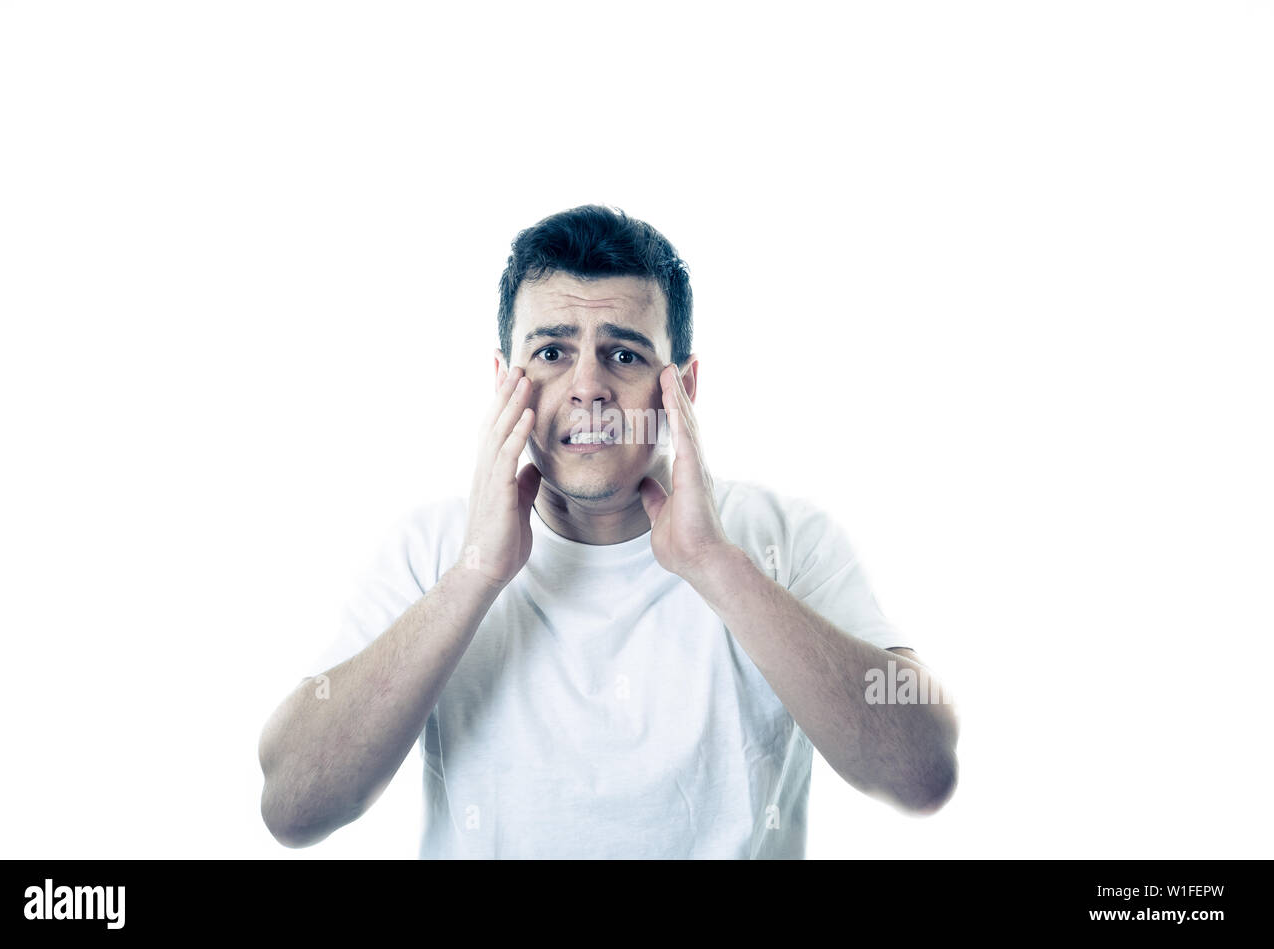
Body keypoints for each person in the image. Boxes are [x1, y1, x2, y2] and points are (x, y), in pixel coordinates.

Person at [257, 205, 959, 858]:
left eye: (623, 354)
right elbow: (293, 804)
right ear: (506, 381)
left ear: (681, 384)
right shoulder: (432, 547)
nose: (587, 385)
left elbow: (923, 771)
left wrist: (716, 565)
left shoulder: (786, 537)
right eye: (553, 353)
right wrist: (476, 575)